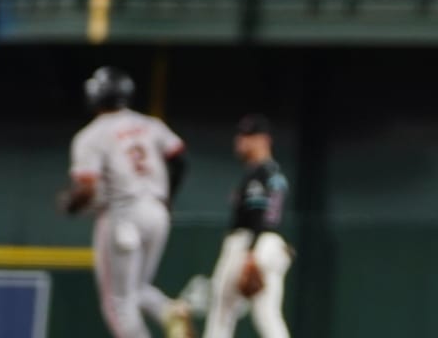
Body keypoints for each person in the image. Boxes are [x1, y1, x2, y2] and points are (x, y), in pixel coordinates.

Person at [59, 67, 194, 338]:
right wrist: (168, 198)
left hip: (121, 216)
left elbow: (86, 189)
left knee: (118, 304)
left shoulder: (91, 135)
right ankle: (170, 311)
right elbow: (179, 159)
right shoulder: (150, 124)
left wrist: (69, 205)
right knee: (138, 288)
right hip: (156, 212)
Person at [203, 114, 292, 338]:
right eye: (241, 135)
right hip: (272, 246)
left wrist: (252, 253)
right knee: (267, 314)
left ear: (264, 139)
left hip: (249, 242)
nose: (241, 141)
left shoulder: (259, 173)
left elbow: (262, 216)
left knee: (222, 311)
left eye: (248, 136)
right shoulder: (275, 174)